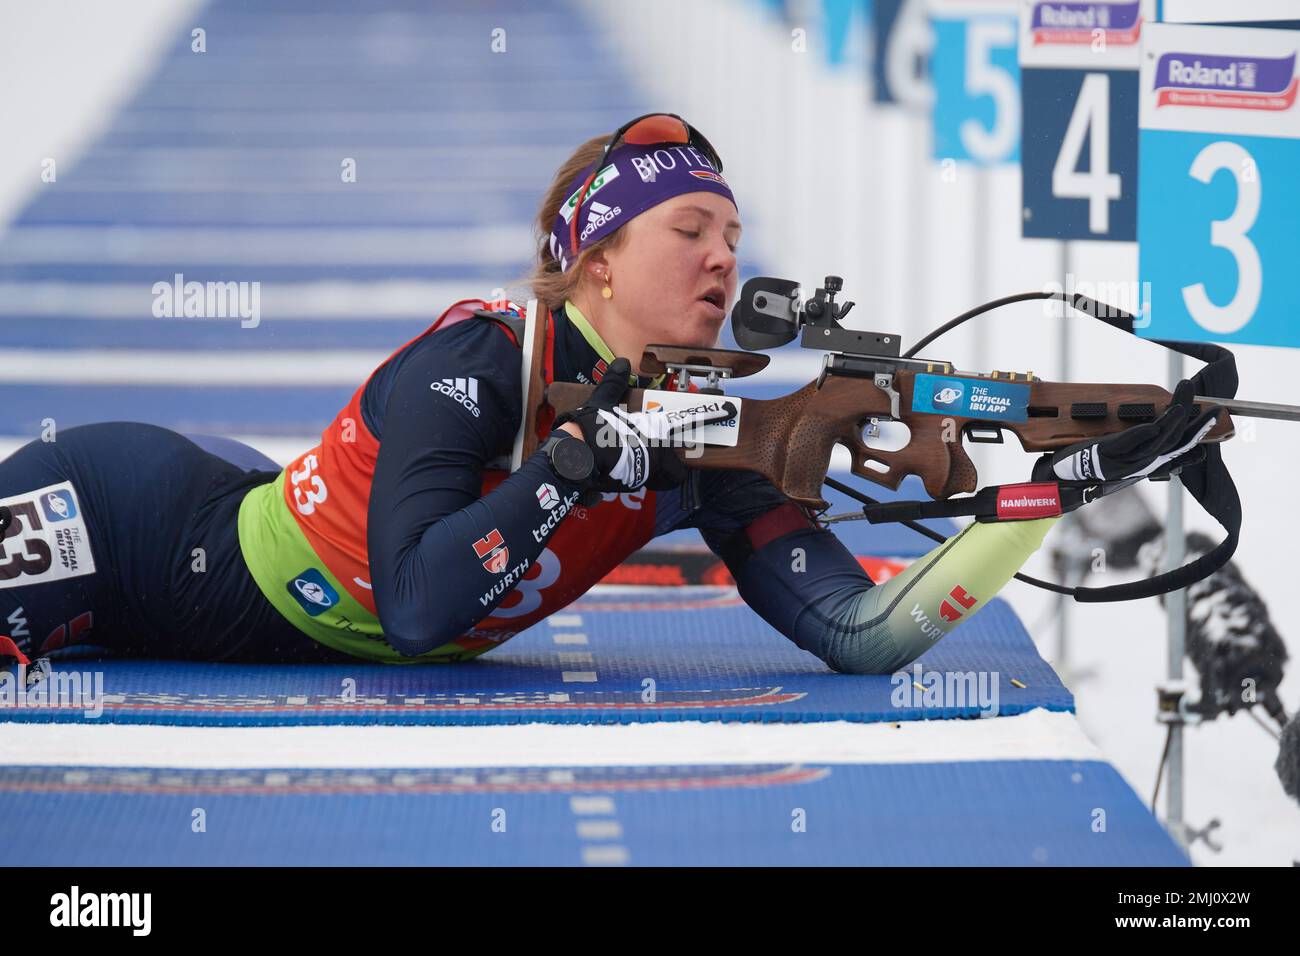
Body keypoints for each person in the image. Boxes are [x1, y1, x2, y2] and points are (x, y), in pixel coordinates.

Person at [0, 113, 1214, 675]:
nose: (723, 257)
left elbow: (868, 634)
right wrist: (578, 467)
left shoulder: (718, 434)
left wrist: (1048, 494)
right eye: (689, 226)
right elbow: (422, 607)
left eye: (734, 235)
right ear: (595, 260)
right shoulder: (478, 363)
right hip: (130, 528)